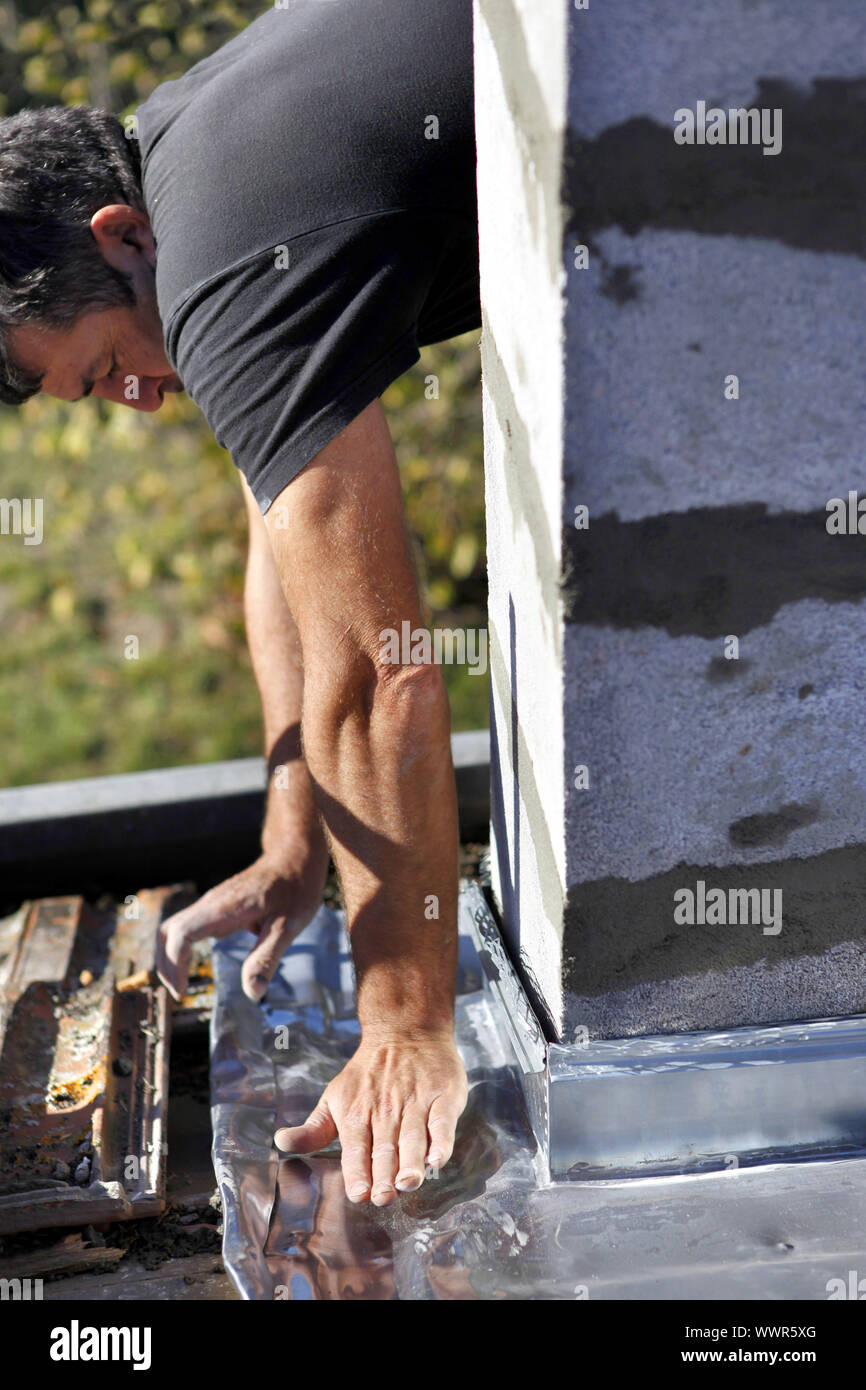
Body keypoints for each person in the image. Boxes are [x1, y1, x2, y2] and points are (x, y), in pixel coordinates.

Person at [0, 0, 480, 1207]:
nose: (141, 401)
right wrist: (291, 828)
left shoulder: (216, 251)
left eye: (106, 368)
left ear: (116, 239)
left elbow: (382, 669)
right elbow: (285, 533)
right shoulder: (185, 155)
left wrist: (405, 1019)